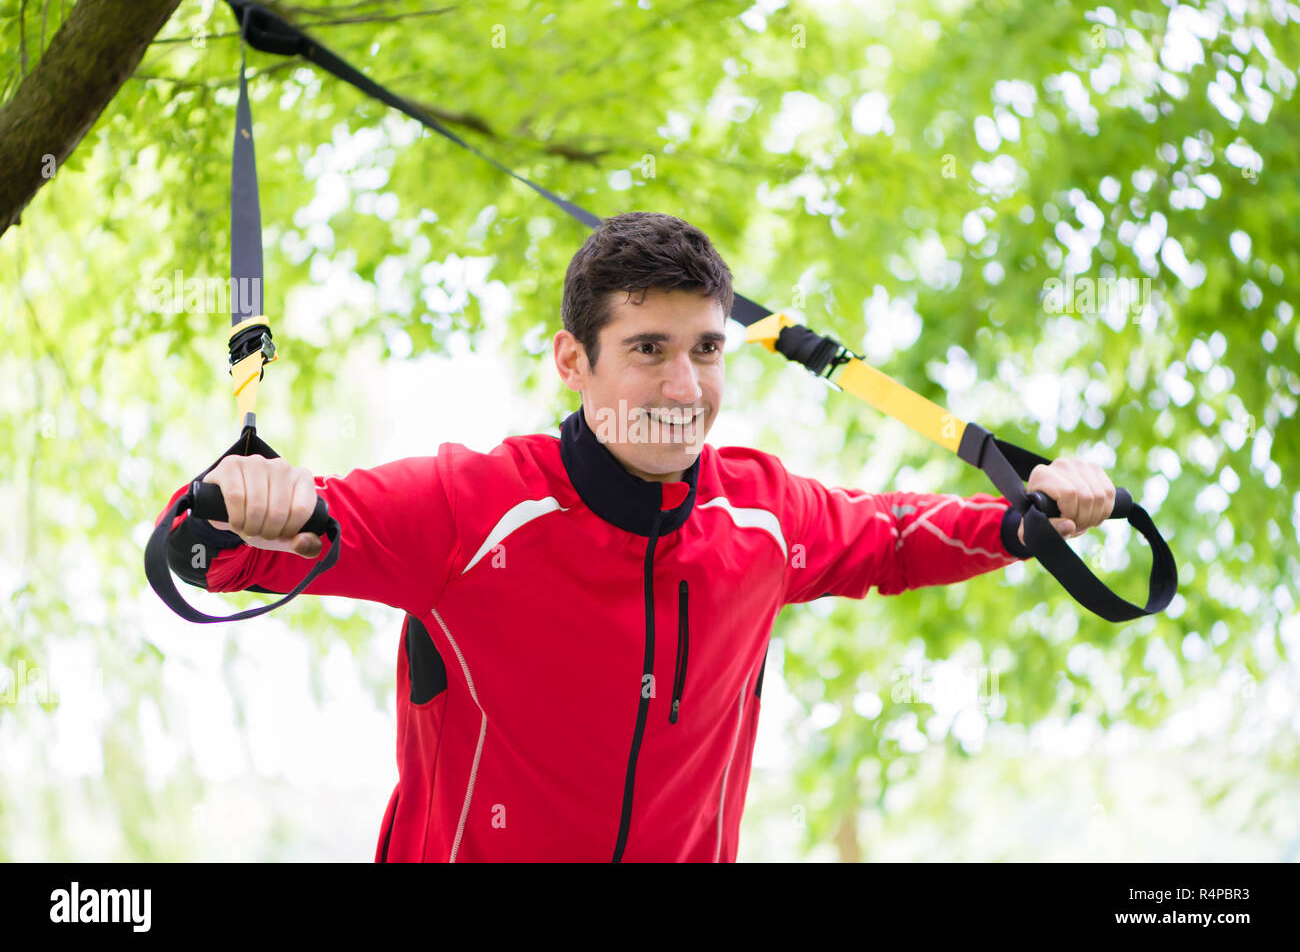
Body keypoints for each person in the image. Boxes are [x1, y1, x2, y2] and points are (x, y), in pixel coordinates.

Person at [153, 212, 1115, 862]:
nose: (685, 389)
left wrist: (1028, 520)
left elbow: (895, 536)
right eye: (648, 350)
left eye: (705, 349)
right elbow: (205, 545)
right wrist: (236, 496)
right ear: (574, 360)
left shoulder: (760, 516)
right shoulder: (472, 508)